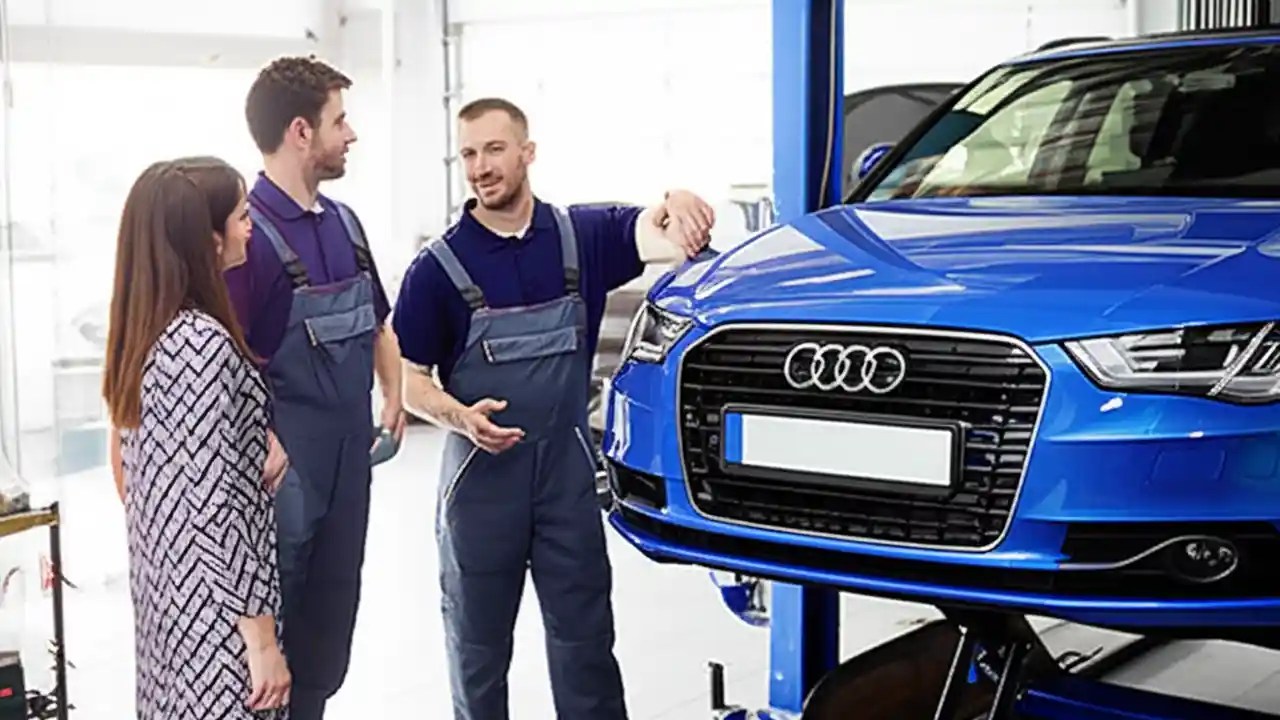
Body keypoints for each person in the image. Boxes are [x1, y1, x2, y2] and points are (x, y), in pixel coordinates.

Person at [393, 97, 715, 719]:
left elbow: (660, 230)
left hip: (566, 480)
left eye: (493, 149)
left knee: (586, 645)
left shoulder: (581, 237)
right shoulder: (436, 270)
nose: (480, 167)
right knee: (478, 652)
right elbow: (410, 383)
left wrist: (675, 196)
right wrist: (461, 417)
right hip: (480, 488)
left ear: (526, 152)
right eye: (468, 154)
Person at [224, 55, 406, 720]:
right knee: (279, 635)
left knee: (330, 631)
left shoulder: (346, 224)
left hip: (350, 467)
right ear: (301, 132)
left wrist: (393, 392)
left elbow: (379, 322)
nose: (351, 134)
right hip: (286, 480)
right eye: (341, 120)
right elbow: (226, 370)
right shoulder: (246, 238)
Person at [103, 157, 291, 718]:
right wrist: (260, 641)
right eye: (239, 215)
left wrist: (251, 439)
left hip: (171, 609)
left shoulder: (145, 336)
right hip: (219, 627)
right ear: (204, 238)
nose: (248, 226)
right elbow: (212, 507)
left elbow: (155, 474)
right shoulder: (199, 342)